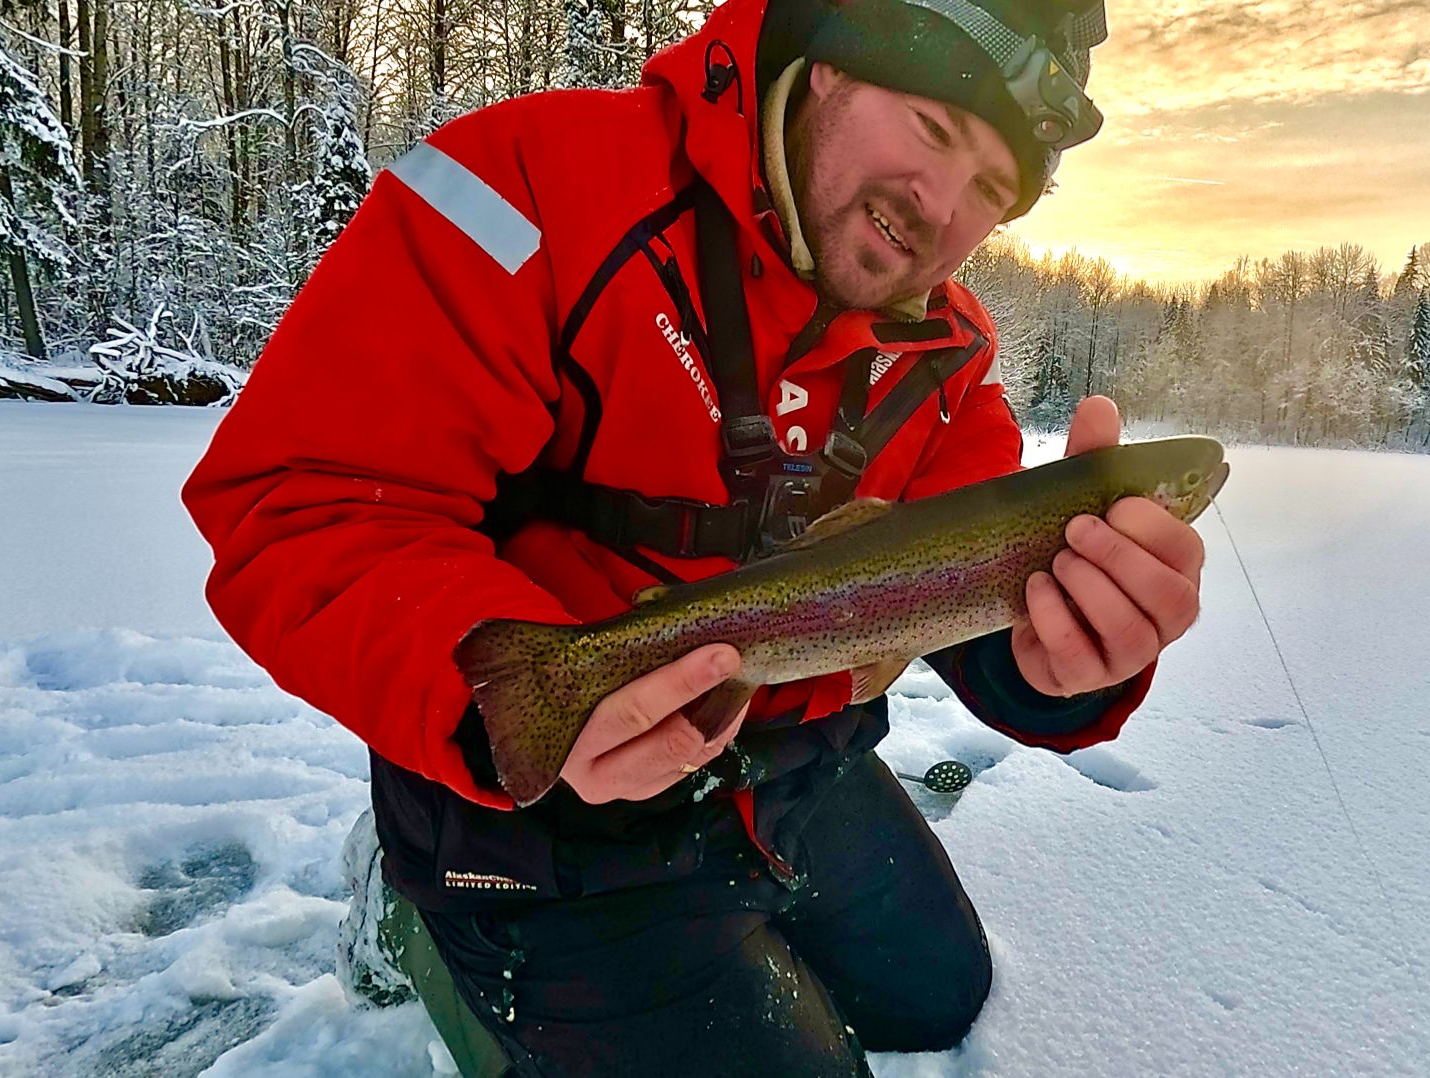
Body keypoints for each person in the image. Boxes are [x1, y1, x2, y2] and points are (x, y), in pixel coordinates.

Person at [181, 0, 1206, 1073]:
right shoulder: (531, 184)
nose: (944, 207)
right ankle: (412, 914)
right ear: (825, 72)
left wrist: (1074, 663)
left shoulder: (947, 358)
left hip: (796, 770)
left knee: (940, 997)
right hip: (549, 822)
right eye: (935, 129)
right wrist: (504, 715)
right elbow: (304, 501)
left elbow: (968, 603)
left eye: (994, 191)